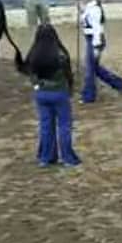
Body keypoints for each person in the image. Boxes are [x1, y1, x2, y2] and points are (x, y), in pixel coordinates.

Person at [17, 24, 80, 168]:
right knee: (64, 126)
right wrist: (70, 89)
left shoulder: (34, 54)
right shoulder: (61, 54)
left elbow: (28, 72)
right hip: (59, 93)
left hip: (41, 94)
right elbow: (68, 75)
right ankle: (68, 158)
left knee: (45, 126)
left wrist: (37, 85)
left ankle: (46, 158)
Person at [77, 0, 122, 103]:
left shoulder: (95, 9)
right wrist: (81, 11)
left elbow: (97, 29)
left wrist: (96, 46)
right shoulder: (90, 7)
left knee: (90, 69)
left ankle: (89, 96)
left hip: (94, 40)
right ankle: (118, 83)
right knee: (94, 68)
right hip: (90, 38)